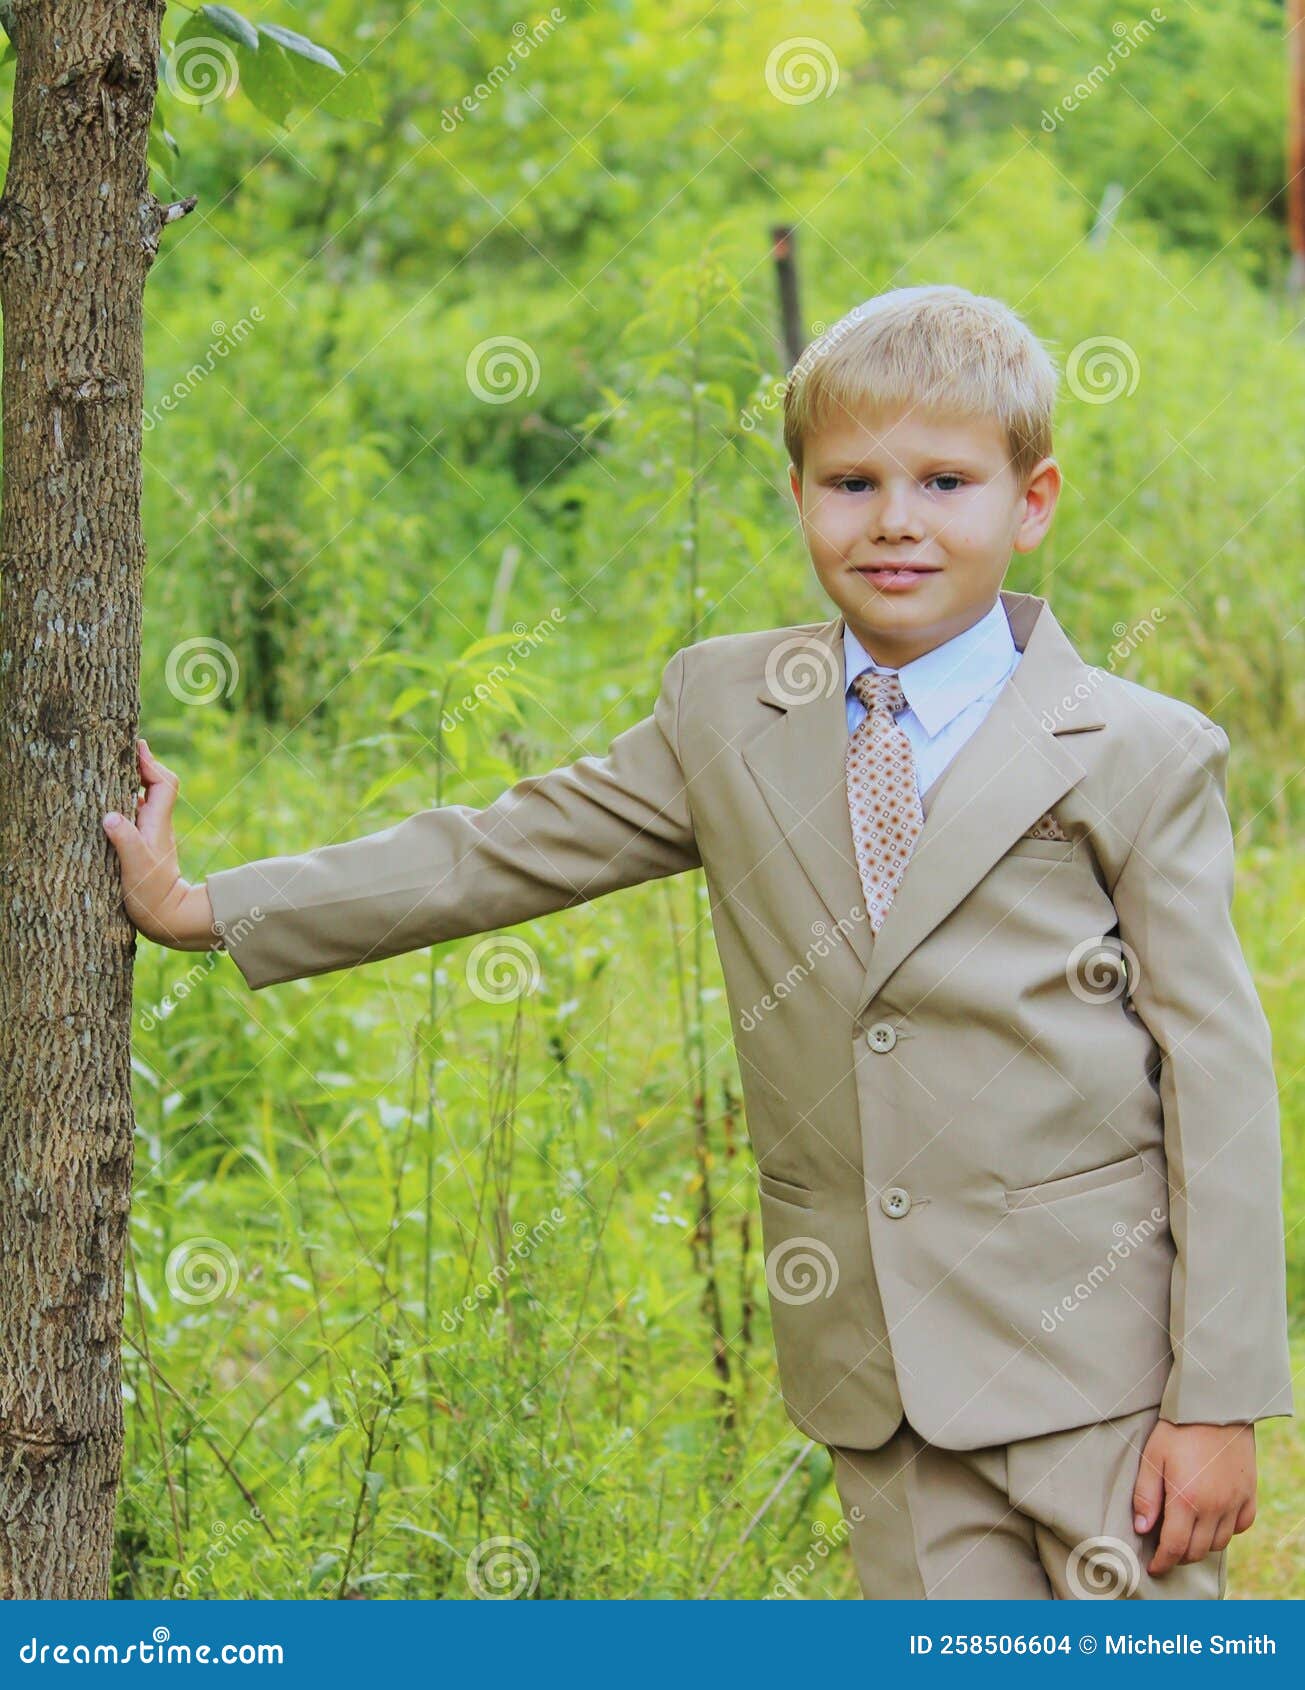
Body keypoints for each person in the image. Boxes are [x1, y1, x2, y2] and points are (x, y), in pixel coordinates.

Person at [104, 283, 1292, 1600]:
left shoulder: (1131, 747)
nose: (893, 519)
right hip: (879, 1369)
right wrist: (208, 905)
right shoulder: (733, 708)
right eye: (850, 482)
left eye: (944, 480)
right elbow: (501, 849)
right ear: (796, 498)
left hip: (1098, 1368)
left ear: (1032, 500)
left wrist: (1217, 1396)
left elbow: (1217, 1072)